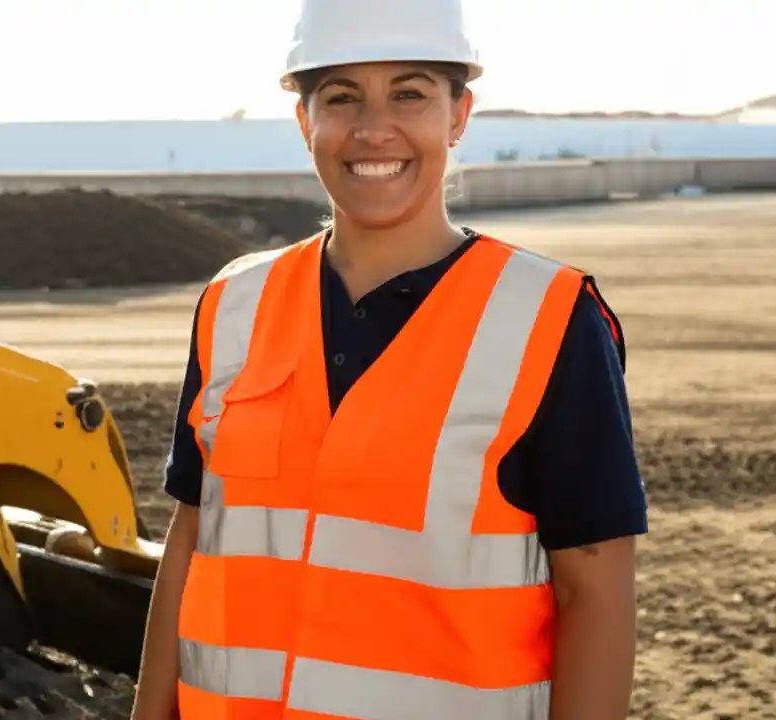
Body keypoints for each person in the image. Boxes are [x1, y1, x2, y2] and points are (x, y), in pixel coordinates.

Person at [130, 0, 648, 718]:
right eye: (341, 97)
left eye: (409, 93)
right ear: (305, 120)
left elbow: (593, 585)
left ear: (458, 114)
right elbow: (191, 539)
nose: (373, 129)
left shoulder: (549, 318)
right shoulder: (234, 304)